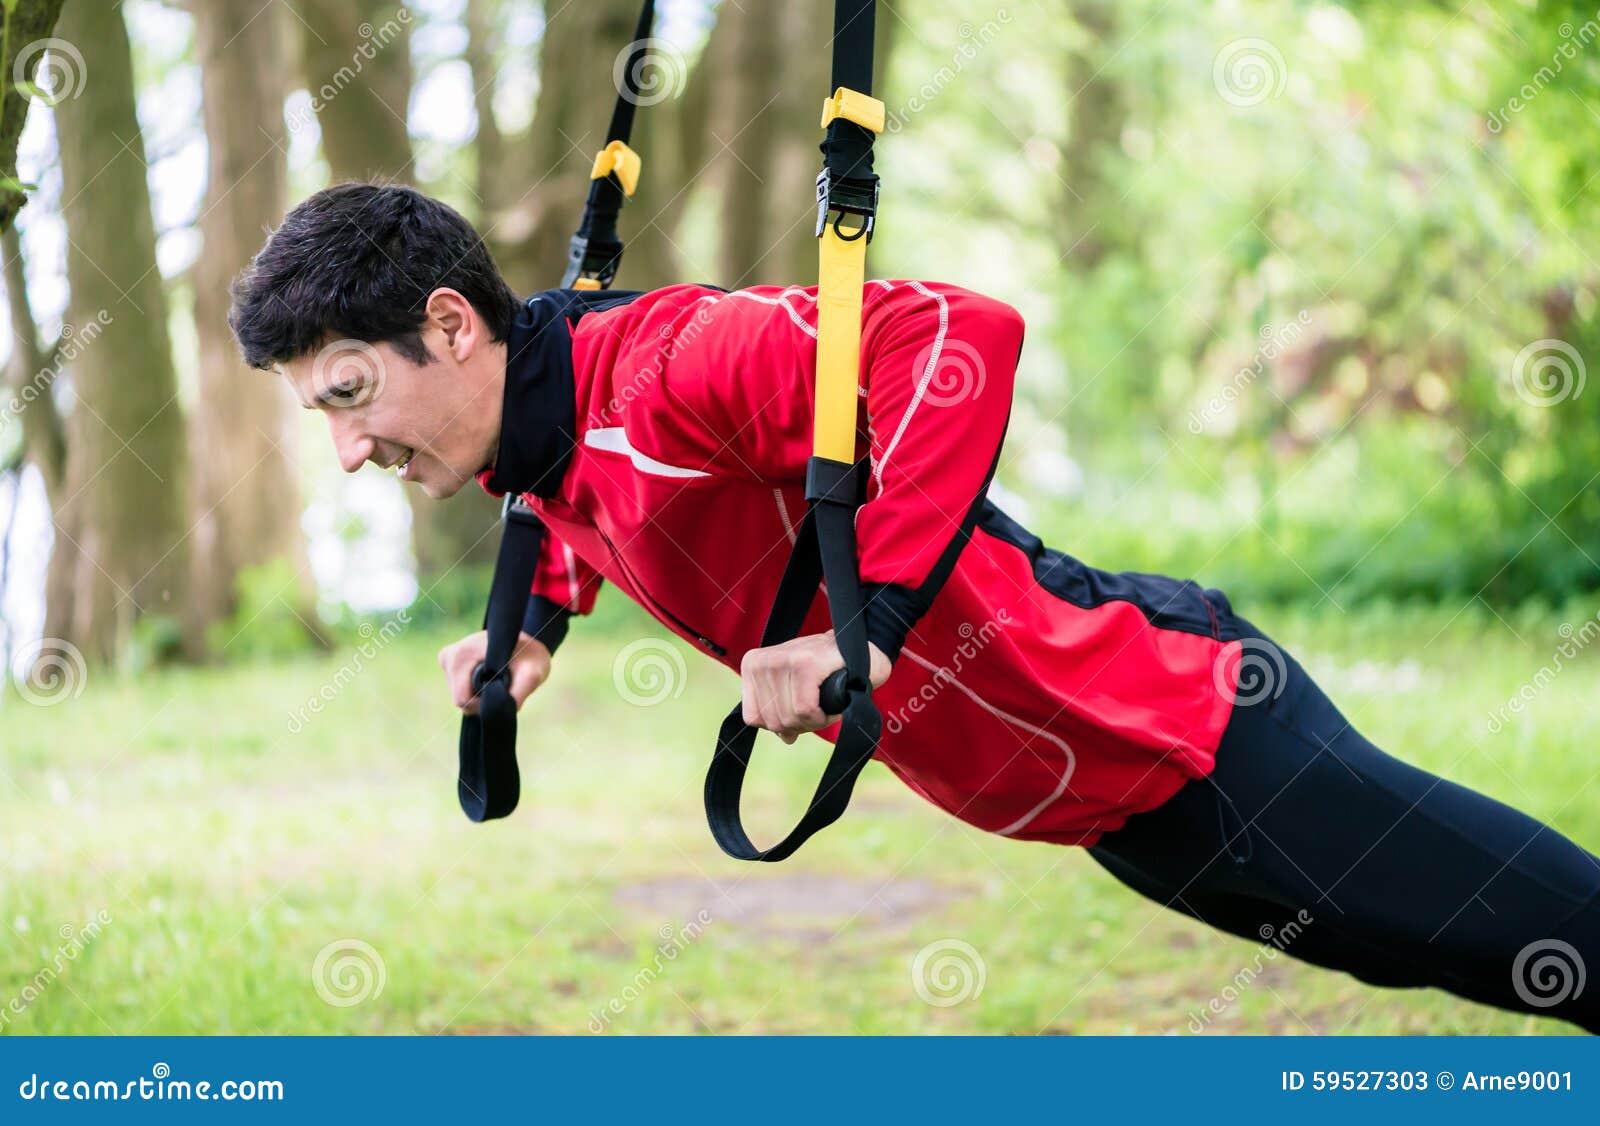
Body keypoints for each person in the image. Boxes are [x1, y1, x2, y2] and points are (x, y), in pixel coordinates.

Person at [229, 182, 1600, 1034]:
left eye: (351, 392)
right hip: (1111, 812)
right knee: (1464, 965)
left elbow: (954, 333)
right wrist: (534, 624)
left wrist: (864, 621)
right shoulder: (544, 436)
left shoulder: (674, 364)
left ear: (452, 326)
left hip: (1185, 716)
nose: (346, 448)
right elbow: (591, 493)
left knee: (1548, 936)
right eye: (319, 414)